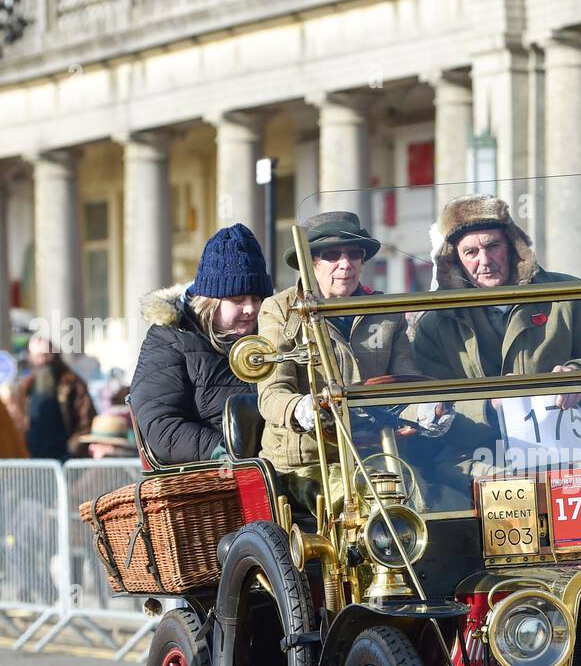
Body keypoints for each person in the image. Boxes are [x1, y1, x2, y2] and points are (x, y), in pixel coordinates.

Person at [411, 194, 581, 502]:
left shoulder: (568, 297)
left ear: (513, 246)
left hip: (579, 449)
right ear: (454, 259)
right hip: (481, 457)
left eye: (492, 246)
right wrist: (489, 407)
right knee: (445, 516)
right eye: (470, 251)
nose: (483, 261)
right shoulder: (437, 323)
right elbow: (426, 411)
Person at [257, 211, 415, 511]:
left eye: (354, 254)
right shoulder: (280, 310)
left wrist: (427, 409)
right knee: (371, 499)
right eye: (332, 255)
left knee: (430, 498)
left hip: (375, 453)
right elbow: (272, 393)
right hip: (304, 465)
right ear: (311, 261)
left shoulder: (385, 310)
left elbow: (406, 381)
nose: (346, 264)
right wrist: (302, 408)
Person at [129, 224, 270, 466]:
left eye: (256, 298)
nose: (250, 308)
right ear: (210, 302)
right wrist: (225, 453)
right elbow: (160, 425)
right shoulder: (170, 338)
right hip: (214, 480)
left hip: (275, 469)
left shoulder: (273, 337)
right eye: (238, 300)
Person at [17, 333, 95, 460]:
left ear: (55, 355)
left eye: (46, 355)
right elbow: (19, 421)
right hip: (33, 459)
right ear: (31, 358)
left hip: (64, 458)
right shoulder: (25, 387)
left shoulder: (72, 383)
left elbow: (86, 420)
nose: (43, 360)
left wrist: (72, 449)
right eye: (38, 357)